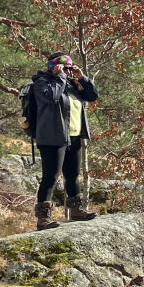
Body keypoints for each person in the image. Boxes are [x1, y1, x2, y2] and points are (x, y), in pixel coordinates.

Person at [30, 52, 98, 230]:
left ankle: (76, 211)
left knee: (72, 175)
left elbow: (92, 96)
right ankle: (43, 218)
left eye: (69, 68)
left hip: (73, 136)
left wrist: (81, 78)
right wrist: (59, 77)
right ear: (52, 67)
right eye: (64, 68)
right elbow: (52, 98)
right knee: (51, 177)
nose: (67, 71)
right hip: (52, 137)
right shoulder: (42, 83)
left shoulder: (70, 85)